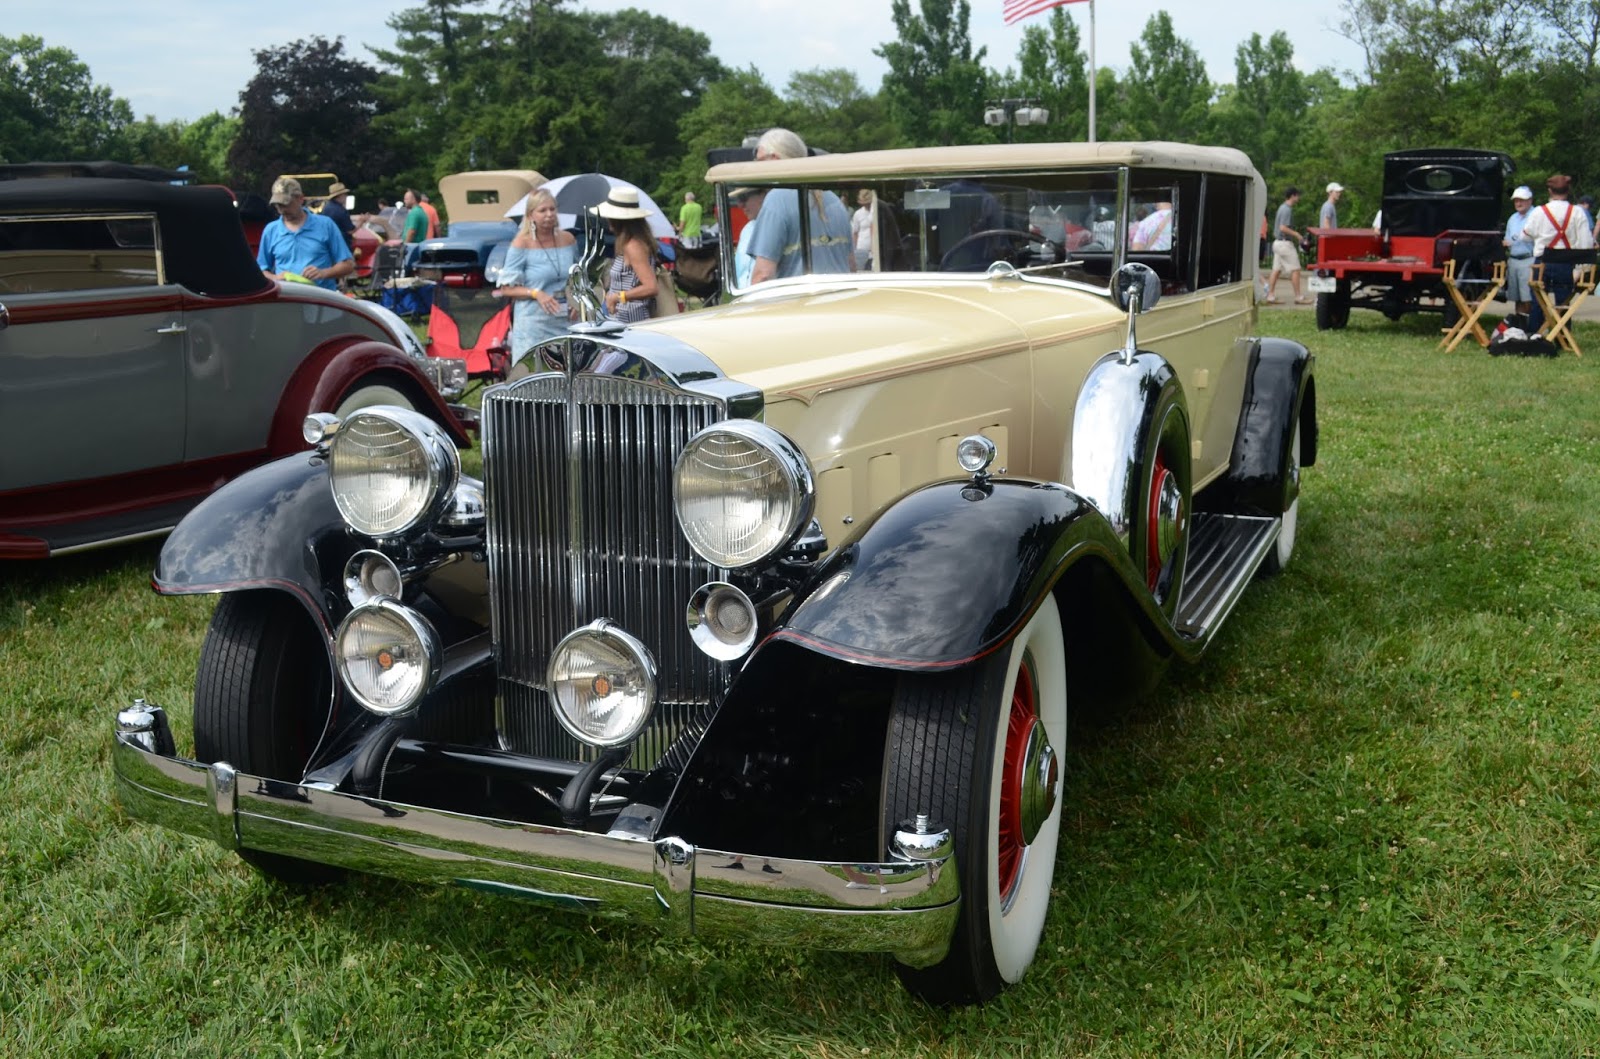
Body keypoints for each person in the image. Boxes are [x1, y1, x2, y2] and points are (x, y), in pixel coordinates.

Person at [747, 128, 854, 282]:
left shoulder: (776, 200)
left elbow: (763, 274)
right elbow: (850, 265)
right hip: (839, 300)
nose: (756, 167)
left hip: (797, 303)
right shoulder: (835, 201)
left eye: (759, 161)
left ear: (775, 159)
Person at [493, 188, 577, 363]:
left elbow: (577, 276)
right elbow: (506, 289)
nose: (549, 214)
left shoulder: (568, 239)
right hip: (534, 324)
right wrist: (536, 293)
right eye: (543, 210)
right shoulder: (521, 243)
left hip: (565, 320)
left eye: (552, 209)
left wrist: (576, 299)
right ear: (531, 215)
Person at [1520, 173, 1596, 333]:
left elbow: (1524, 236)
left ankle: (1535, 336)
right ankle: (1562, 337)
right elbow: (1586, 243)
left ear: (1549, 190)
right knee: (1563, 303)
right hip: (1566, 263)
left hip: (1542, 263)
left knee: (1538, 302)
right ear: (1568, 190)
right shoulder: (1577, 212)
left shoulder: (1540, 212)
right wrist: (1582, 268)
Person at [256, 176, 354, 290]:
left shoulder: (325, 225)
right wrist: (275, 278)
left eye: (286, 204)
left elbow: (348, 265)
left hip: (321, 300)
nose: (282, 210)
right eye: (278, 205)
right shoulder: (271, 230)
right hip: (285, 299)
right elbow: (260, 270)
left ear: (301, 199)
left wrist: (323, 273)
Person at [593, 187, 660, 324]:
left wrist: (618, 297)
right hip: (623, 315)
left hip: (630, 317)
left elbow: (651, 287)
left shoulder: (633, 246)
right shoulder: (629, 241)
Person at [1264, 187, 1310, 304]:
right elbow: (1283, 227)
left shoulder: (1282, 207)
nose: (1298, 198)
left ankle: (1270, 296)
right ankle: (1298, 297)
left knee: (1276, 270)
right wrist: (1297, 235)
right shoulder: (1287, 210)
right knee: (1296, 269)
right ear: (1293, 196)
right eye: (1297, 195)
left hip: (1277, 243)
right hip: (1284, 243)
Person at [1502, 184, 1536, 317]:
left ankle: (1530, 324)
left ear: (1530, 200)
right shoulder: (1513, 218)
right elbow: (1508, 237)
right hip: (1514, 259)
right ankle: (1519, 324)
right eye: (1516, 200)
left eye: (1522, 200)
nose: (1518, 203)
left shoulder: (1535, 215)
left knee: (1527, 296)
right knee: (1516, 296)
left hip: (1528, 258)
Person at [730, 186, 768, 287]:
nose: (740, 205)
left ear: (763, 195)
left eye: (743, 198)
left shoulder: (779, 226)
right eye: (738, 199)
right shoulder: (747, 229)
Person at [321, 180, 356, 250]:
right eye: (345, 194)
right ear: (339, 196)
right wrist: (362, 221)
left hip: (328, 244)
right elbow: (350, 231)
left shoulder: (325, 208)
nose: (346, 196)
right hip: (342, 245)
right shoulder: (341, 211)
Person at [852, 188, 875, 270]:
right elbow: (855, 232)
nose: (865, 205)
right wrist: (855, 250)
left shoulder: (876, 212)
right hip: (861, 250)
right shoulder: (857, 214)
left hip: (874, 252)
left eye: (867, 203)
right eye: (863, 203)